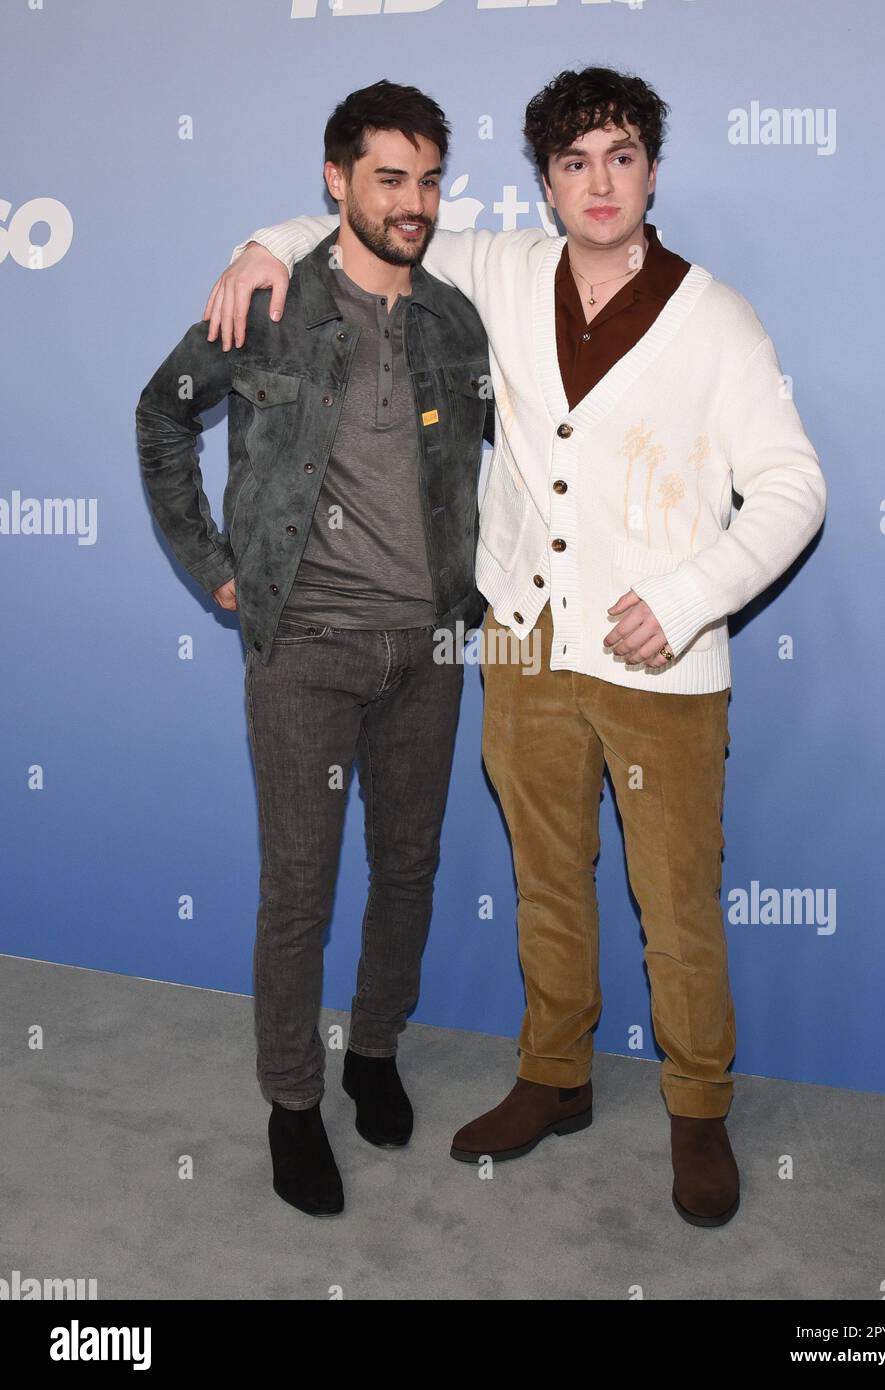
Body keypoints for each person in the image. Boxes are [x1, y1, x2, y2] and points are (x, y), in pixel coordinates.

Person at [202, 66, 827, 1227]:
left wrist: (694, 592)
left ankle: (699, 1111)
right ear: (544, 181)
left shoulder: (718, 315)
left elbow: (793, 485)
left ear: (652, 170)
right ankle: (556, 1077)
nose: (600, 182)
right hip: (525, 649)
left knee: (676, 903)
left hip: (660, 667)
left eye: (622, 156)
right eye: (575, 161)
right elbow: (369, 223)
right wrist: (259, 245)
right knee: (550, 886)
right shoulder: (499, 269)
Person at [135, 80, 493, 1218]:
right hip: (303, 648)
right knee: (298, 887)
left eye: (429, 179)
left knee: (410, 867)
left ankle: (374, 1054)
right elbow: (161, 416)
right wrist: (217, 567)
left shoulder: (453, 320)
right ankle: (294, 1104)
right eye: (390, 178)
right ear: (336, 179)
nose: (414, 203)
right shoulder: (272, 303)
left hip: (427, 646)